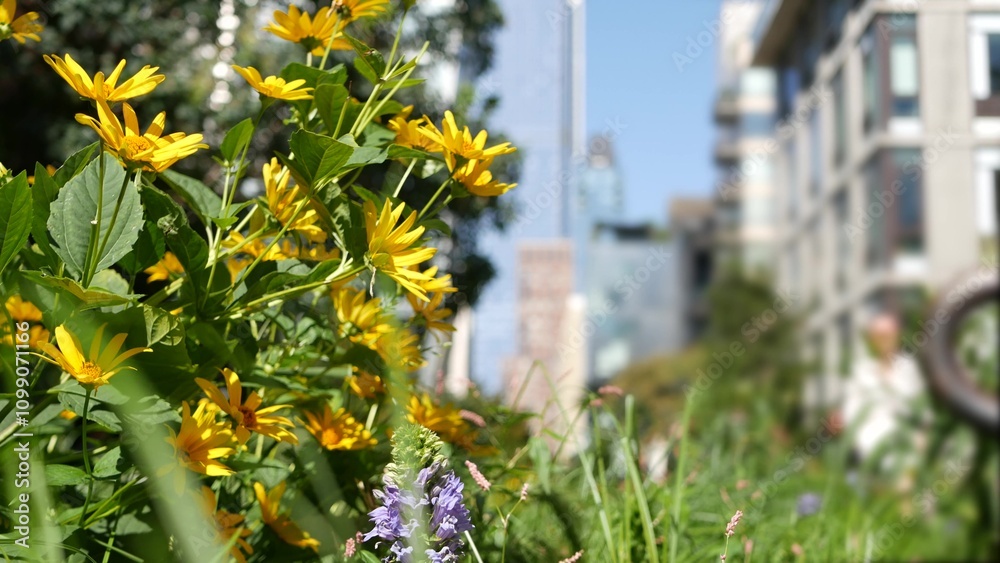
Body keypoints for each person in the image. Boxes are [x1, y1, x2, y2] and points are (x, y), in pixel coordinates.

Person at [838, 313, 930, 488]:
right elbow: (851, 410)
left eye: (888, 335)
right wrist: (859, 444)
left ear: (897, 337)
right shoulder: (861, 371)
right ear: (872, 340)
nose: (884, 340)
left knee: (907, 493)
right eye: (879, 336)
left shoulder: (909, 368)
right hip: (870, 448)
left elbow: (922, 409)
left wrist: (921, 438)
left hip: (905, 445)